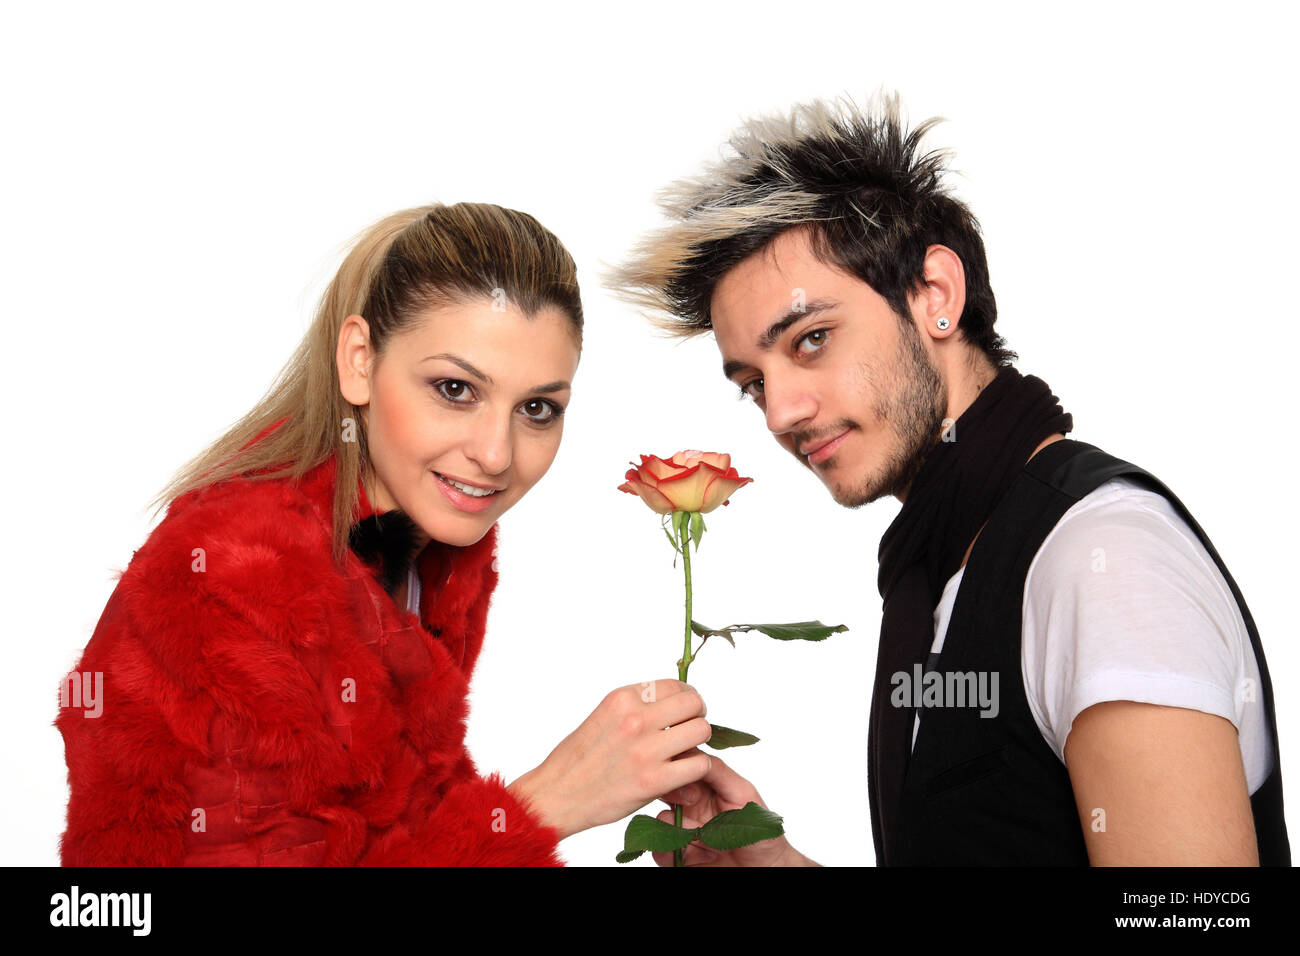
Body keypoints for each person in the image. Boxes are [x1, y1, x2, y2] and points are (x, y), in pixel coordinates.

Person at [606, 90, 1290, 866]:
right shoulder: (950, 561)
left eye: (810, 339)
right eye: (752, 381)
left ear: (935, 296)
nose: (781, 412)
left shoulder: (1101, 561)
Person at [55, 201, 713, 865]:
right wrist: (542, 806)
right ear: (359, 361)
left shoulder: (428, 556)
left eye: (537, 409)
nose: (496, 454)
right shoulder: (238, 577)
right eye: (455, 388)